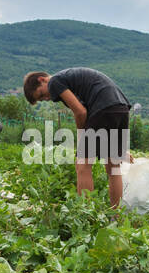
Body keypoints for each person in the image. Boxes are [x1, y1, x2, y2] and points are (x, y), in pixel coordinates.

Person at [23, 67, 133, 207]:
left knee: (82, 165)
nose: (46, 98)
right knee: (113, 166)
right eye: (42, 100)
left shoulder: (54, 82)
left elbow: (80, 112)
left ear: (42, 80)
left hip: (104, 107)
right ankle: (117, 216)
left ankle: (87, 214)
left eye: (41, 95)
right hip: (120, 107)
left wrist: (81, 136)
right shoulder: (69, 78)